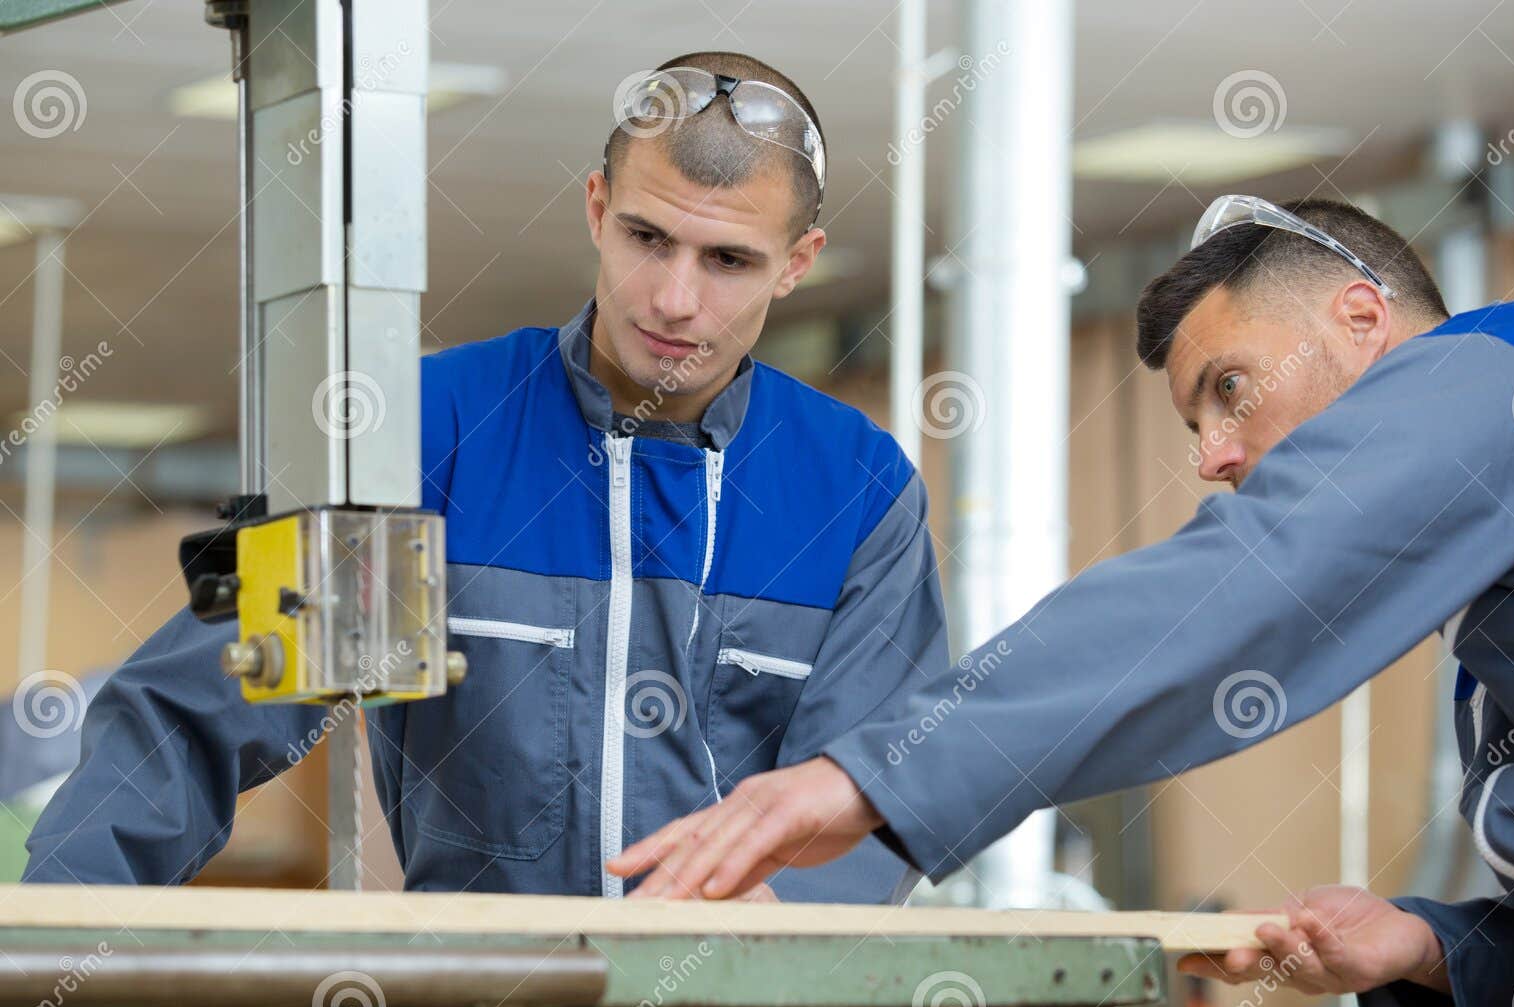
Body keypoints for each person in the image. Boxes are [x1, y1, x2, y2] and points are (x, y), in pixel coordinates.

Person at [612, 196, 1514, 1007]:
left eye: (1229, 387)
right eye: (1191, 426)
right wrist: (1427, 949)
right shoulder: (1509, 616)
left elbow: (1239, 585)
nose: (1212, 456)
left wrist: (872, 775)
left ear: (1357, 316)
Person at [24, 51, 946, 917]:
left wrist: (761, 952)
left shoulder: (855, 492)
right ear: (596, 208)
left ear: (797, 262)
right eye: (646, 236)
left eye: (728, 260)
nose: (673, 298)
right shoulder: (426, 439)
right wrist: (54, 945)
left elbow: (876, 790)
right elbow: (191, 718)